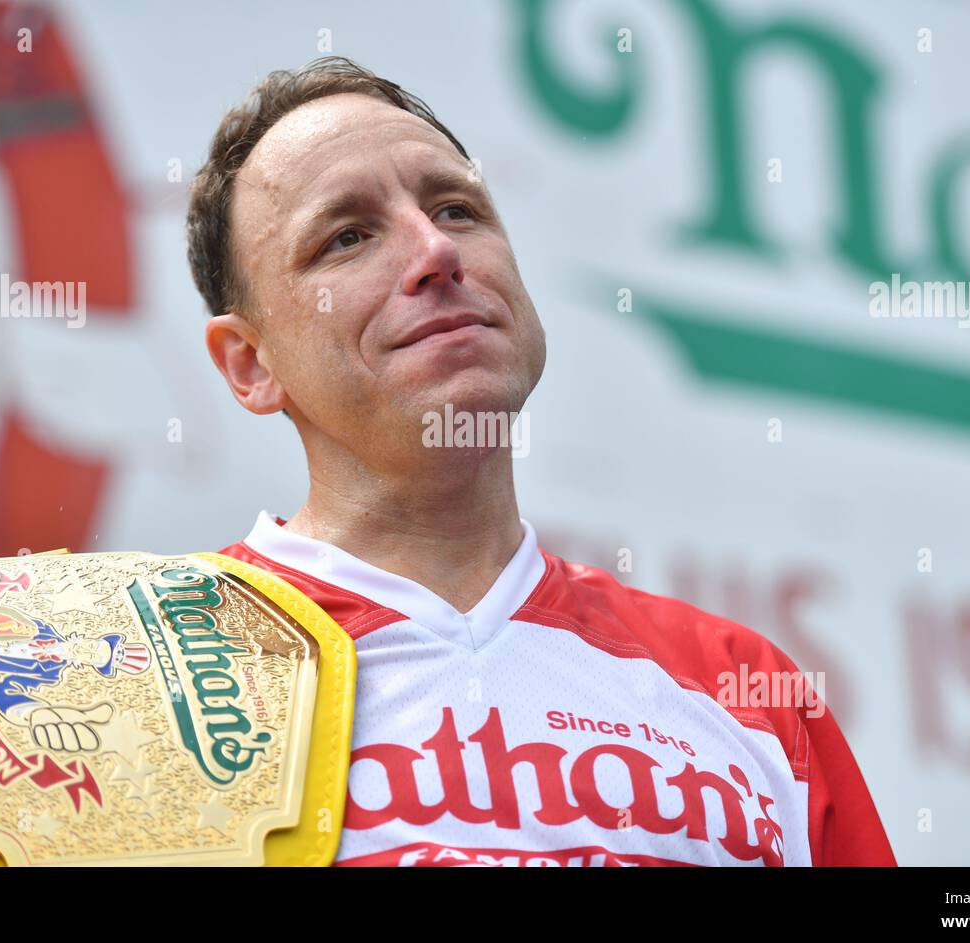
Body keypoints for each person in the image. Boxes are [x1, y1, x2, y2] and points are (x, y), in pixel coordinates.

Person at [192, 56, 895, 867]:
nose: (435, 251)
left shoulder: (743, 688)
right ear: (250, 364)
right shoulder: (139, 672)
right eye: (348, 236)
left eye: (457, 210)